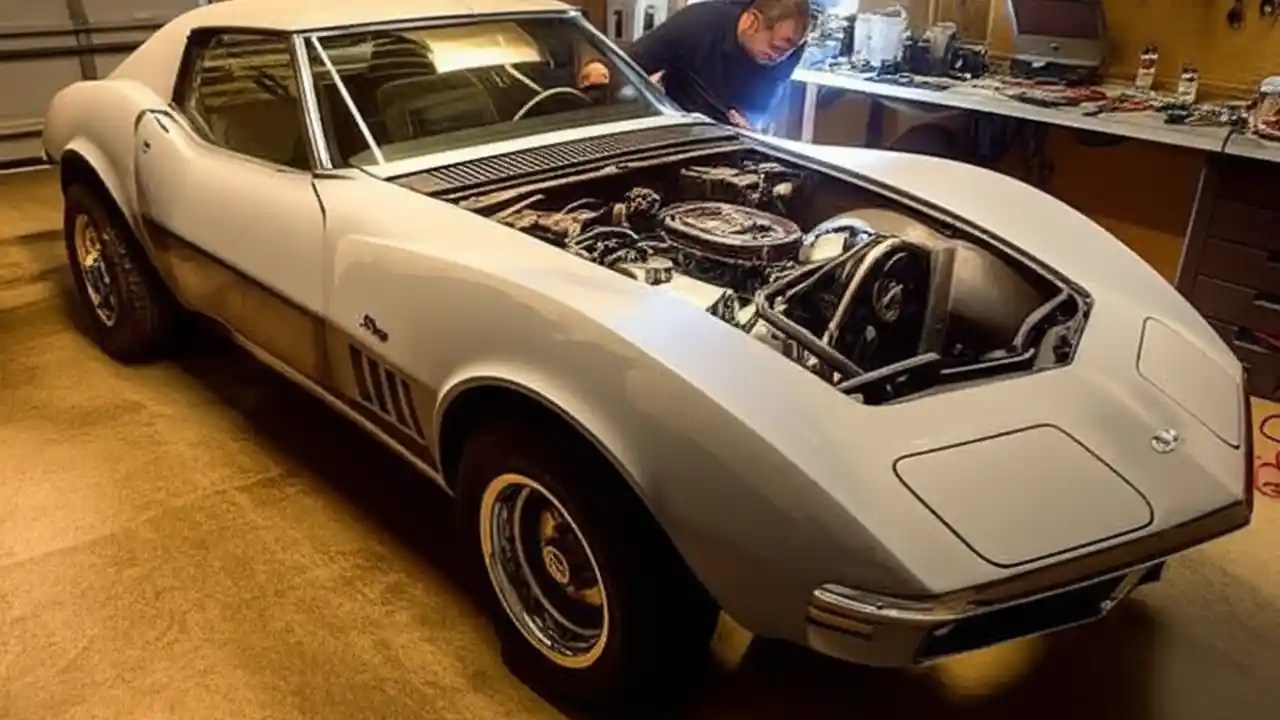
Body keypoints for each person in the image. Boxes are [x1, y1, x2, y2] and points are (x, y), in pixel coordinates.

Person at [625, 0, 812, 129]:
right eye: (775, 48)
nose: (779, 59)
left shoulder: (791, 52)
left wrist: (753, 120)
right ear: (752, 21)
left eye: (788, 53)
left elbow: (764, 103)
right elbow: (629, 63)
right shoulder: (697, 23)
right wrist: (600, 68)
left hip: (737, 137)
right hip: (679, 126)